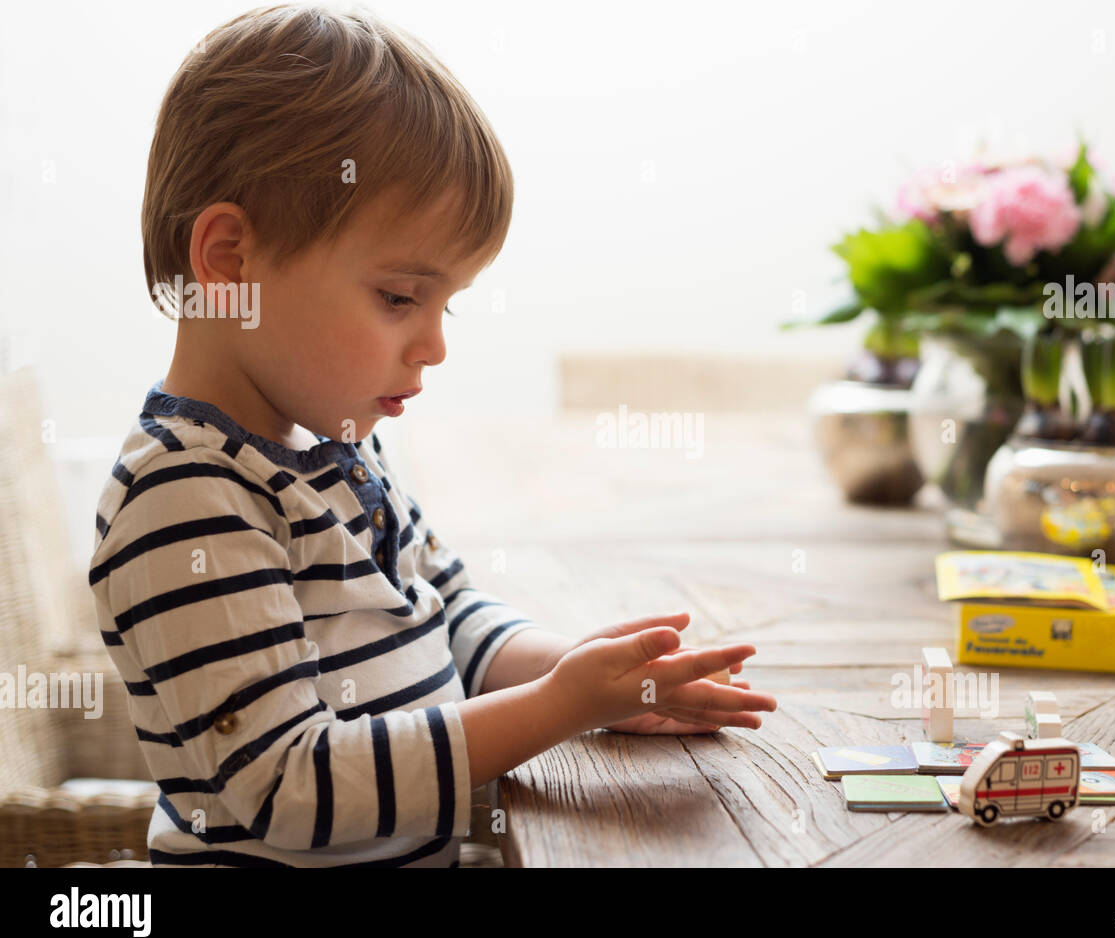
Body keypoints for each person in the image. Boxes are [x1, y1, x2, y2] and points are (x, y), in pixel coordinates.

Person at [88, 3, 776, 867]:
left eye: (445, 305)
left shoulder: (334, 447)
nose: (436, 345)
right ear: (230, 261)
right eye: (400, 298)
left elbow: (446, 612)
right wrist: (558, 706)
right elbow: (290, 788)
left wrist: (581, 673)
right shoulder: (184, 498)